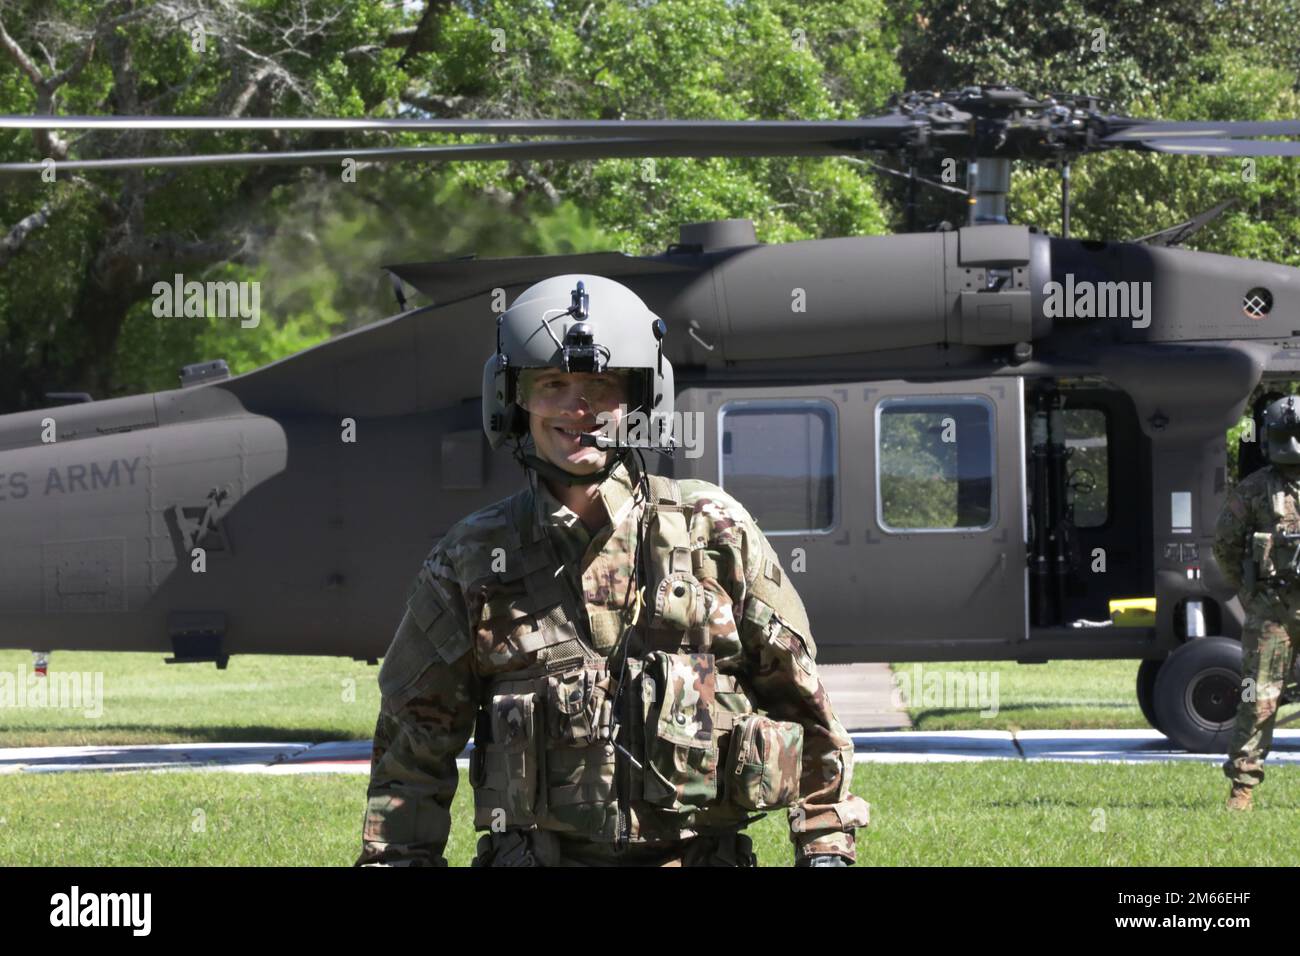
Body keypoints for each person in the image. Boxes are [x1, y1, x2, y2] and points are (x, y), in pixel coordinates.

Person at [356, 274, 869, 866]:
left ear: (641, 398)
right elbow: (413, 746)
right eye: (553, 384)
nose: (581, 408)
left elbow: (805, 709)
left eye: (602, 385)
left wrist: (825, 848)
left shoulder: (714, 531)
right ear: (513, 400)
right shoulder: (472, 558)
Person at [1212, 394, 1300, 810]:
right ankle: (1242, 788)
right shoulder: (1254, 489)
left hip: (1269, 607)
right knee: (1258, 697)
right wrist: (1253, 597)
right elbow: (1225, 546)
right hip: (1272, 608)